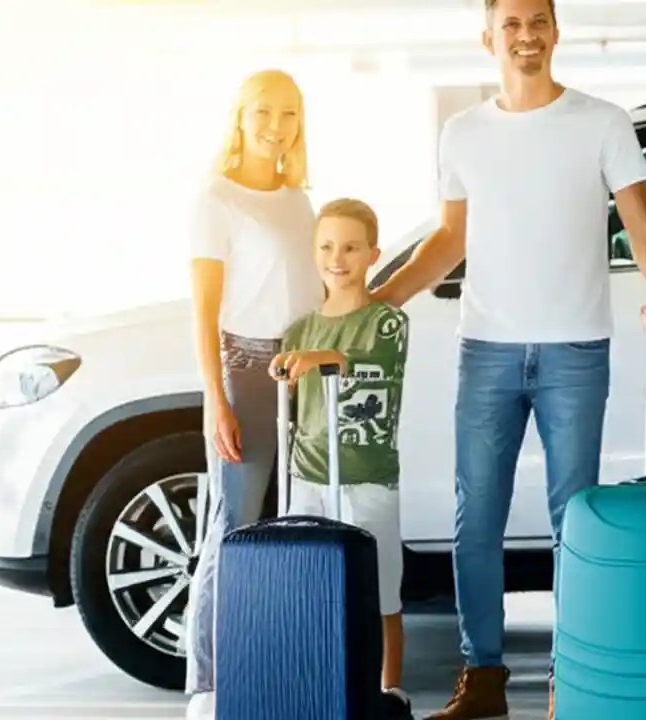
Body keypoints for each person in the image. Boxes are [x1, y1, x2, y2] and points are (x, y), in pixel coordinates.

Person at [371, 1, 646, 717]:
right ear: (490, 37)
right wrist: (377, 300)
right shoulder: (463, 133)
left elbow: (642, 217)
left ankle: (570, 676)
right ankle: (482, 677)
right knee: (473, 519)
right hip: (485, 350)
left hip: (575, 348)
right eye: (511, 24)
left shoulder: (602, 122)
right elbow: (450, 239)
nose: (526, 34)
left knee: (572, 520)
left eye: (537, 20)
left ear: (555, 30)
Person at [184, 68, 323, 720]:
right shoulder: (218, 199)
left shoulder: (299, 199)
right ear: (240, 118)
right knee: (231, 527)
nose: (276, 126)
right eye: (264, 113)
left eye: (289, 114)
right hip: (245, 370)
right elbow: (204, 311)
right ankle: (206, 688)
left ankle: (282, 668)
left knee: (302, 525)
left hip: (304, 375)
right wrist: (216, 399)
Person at [268, 197, 414, 720]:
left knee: (380, 592)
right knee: (311, 585)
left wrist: (324, 359)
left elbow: (373, 366)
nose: (339, 257)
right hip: (309, 470)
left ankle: (389, 692)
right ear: (314, 252)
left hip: (366, 475)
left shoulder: (386, 321)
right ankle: (315, 686)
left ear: (373, 253)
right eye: (328, 246)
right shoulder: (300, 329)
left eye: (351, 247)